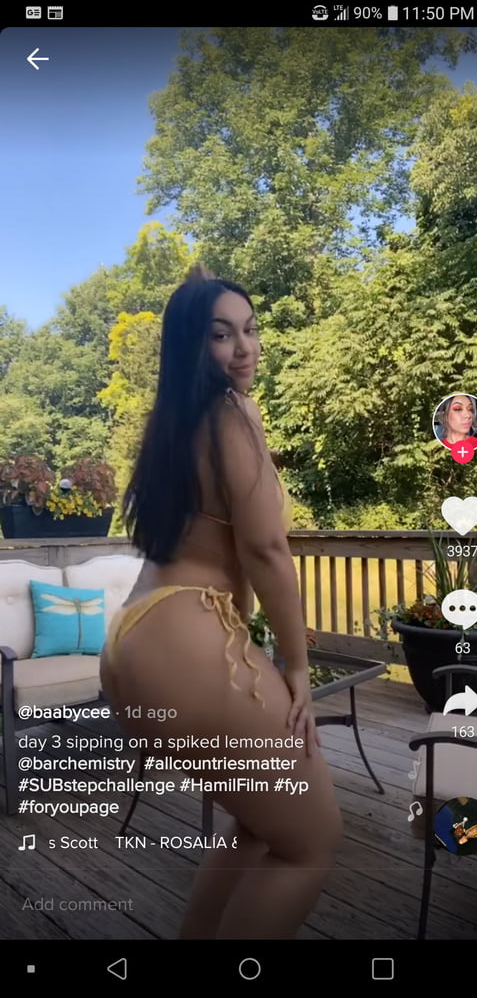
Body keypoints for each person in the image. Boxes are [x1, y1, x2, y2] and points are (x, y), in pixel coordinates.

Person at [99, 265, 342, 940]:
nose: (245, 349)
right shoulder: (232, 412)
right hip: (189, 636)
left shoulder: (172, 426)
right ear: (192, 346)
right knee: (312, 840)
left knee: (259, 828)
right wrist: (297, 667)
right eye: (221, 335)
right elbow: (265, 549)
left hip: (137, 642)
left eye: (250, 330)